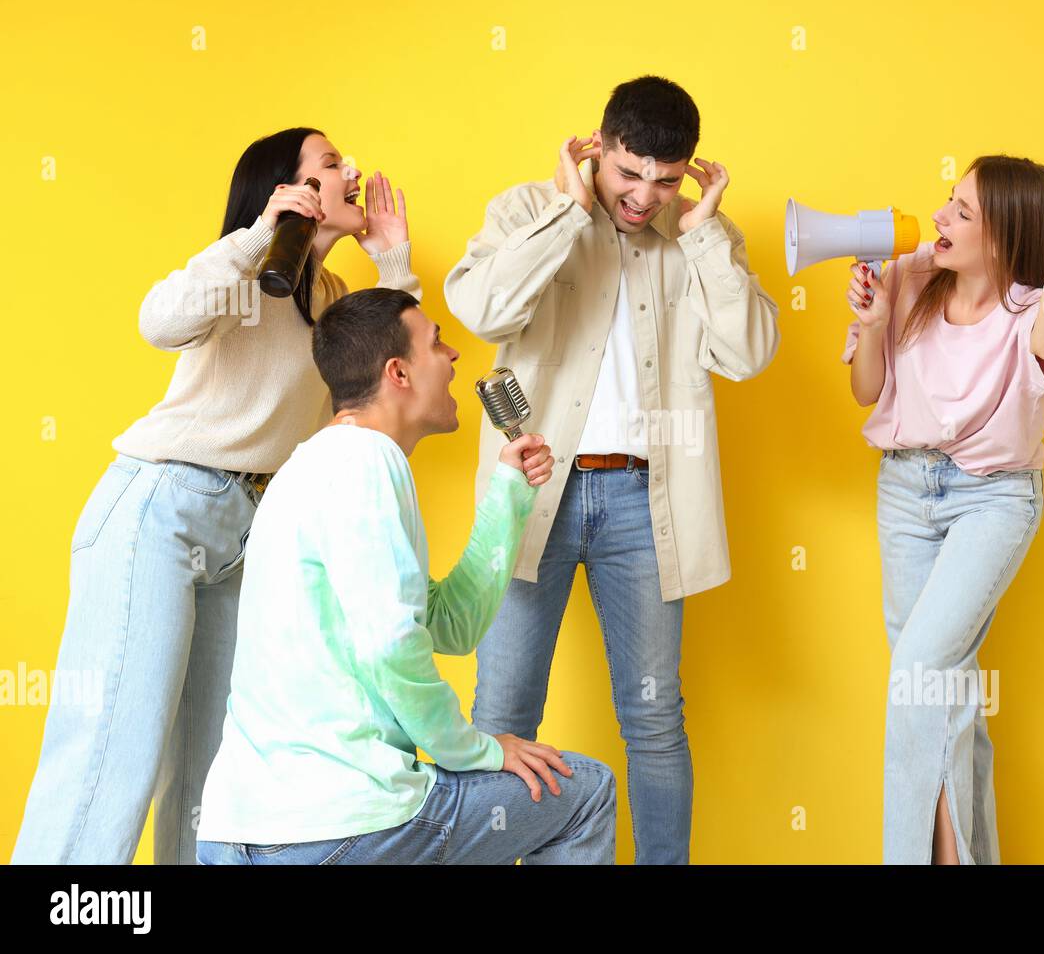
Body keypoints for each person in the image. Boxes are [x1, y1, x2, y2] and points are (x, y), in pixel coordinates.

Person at [12, 128, 420, 865]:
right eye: (333, 164)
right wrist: (260, 236)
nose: (353, 171)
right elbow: (158, 321)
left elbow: (393, 384)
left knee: (214, 764)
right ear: (291, 189)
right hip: (162, 511)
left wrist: (393, 263)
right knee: (114, 743)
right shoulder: (247, 273)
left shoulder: (331, 300)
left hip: (243, 540)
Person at [444, 74, 780, 863]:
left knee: (655, 719)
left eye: (666, 180)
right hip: (533, 492)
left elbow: (749, 352)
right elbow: (483, 311)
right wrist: (569, 213)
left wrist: (704, 232)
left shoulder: (697, 235)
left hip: (643, 500)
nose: (645, 196)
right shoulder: (528, 209)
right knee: (502, 714)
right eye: (630, 173)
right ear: (598, 147)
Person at [196, 287, 616, 865]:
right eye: (437, 343)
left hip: (235, 831)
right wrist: (475, 750)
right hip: (338, 825)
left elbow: (449, 626)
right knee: (585, 792)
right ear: (398, 373)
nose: (454, 355)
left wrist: (511, 494)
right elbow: (391, 643)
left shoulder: (311, 464)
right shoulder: (368, 462)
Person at [842, 152, 1044, 864]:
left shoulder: (1033, 310)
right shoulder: (909, 277)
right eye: (948, 200)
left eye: (962, 212)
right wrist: (873, 322)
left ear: (1005, 237)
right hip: (904, 490)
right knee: (947, 694)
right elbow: (866, 392)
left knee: (919, 673)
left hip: (993, 499)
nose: (939, 217)